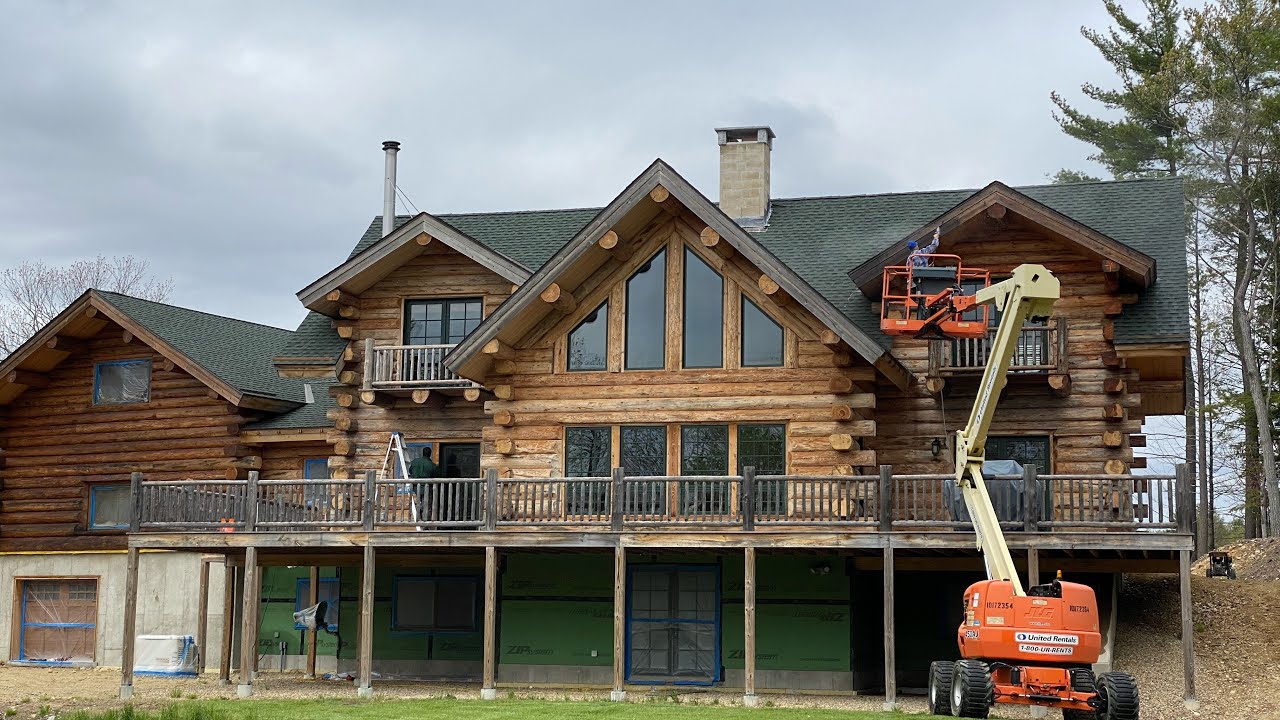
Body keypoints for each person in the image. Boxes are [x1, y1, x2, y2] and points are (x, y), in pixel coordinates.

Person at [409, 445, 437, 521]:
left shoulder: (414, 462)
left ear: (423, 453)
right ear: (430, 454)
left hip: (415, 487)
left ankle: (417, 519)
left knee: (418, 504)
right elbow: (436, 475)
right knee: (427, 505)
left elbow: (410, 471)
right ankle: (425, 522)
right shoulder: (432, 465)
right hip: (426, 488)